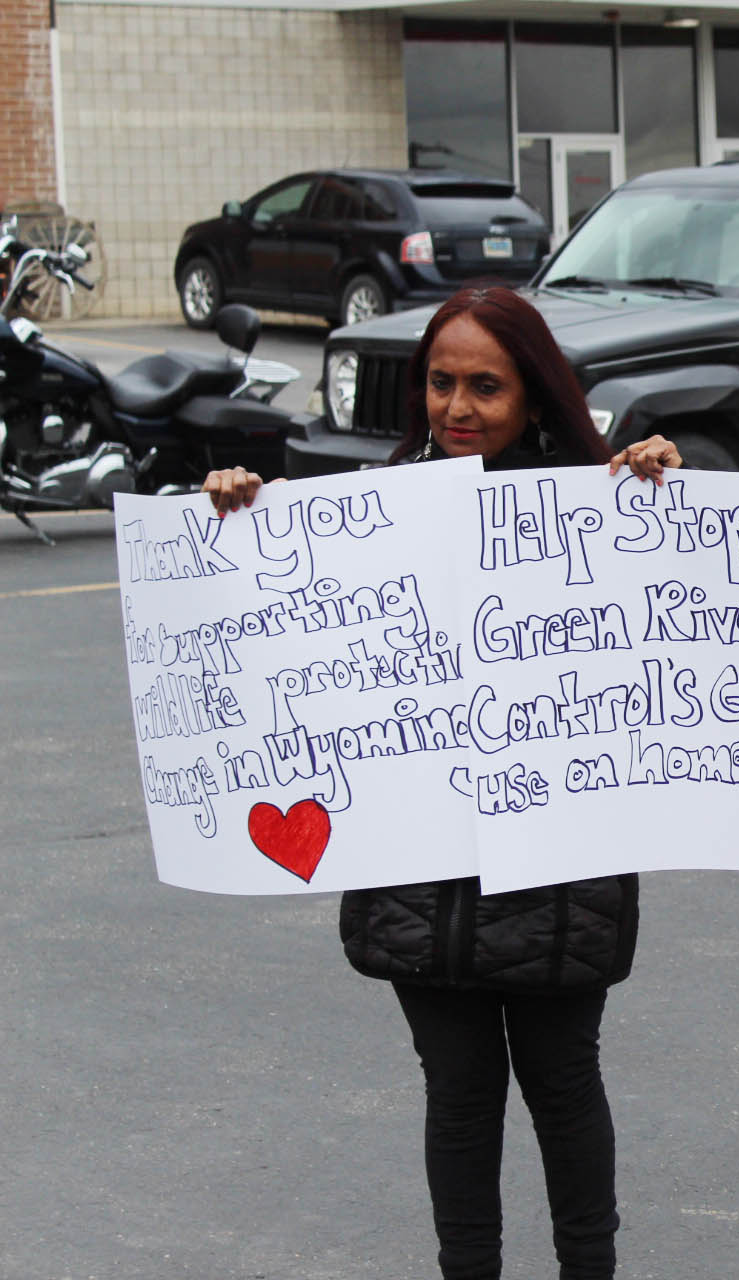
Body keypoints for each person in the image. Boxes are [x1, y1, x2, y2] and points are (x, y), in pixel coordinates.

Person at [203, 285, 683, 1280]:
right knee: (459, 1095)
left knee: (561, 1083)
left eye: (485, 386)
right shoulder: (373, 510)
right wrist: (238, 515)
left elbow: (673, 625)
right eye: (440, 381)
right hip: (421, 884)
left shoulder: (599, 506)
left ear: (536, 393)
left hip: (556, 875)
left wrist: (655, 483)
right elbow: (288, 635)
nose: (458, 406)